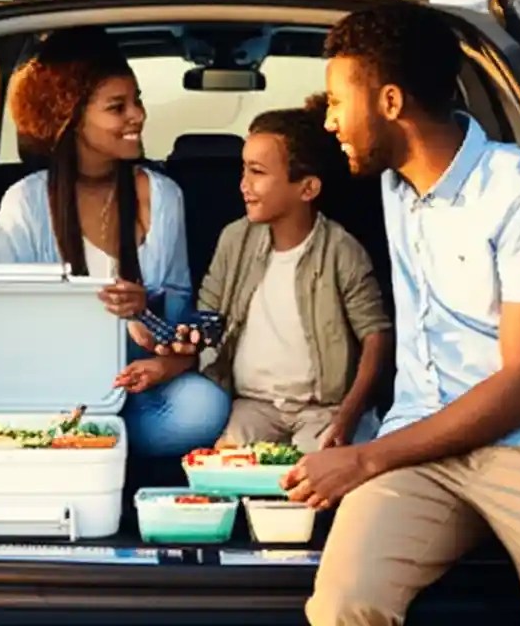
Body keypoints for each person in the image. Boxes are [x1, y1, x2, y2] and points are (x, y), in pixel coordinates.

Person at [278, 2, 520, 625]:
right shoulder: (395, 185)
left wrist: (366, 457)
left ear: (391, 102)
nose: (331, 122)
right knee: (344, 605)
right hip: (421, 445)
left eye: (338, 102)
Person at [0, 26, 230, 458]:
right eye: (117, 107)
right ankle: (86, 439)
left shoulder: (161, 195)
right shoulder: (23, 203)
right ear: (70, 117)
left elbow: (181, 320)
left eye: (137, 101)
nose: (137, 115)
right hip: (51, 386)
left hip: (138, 385)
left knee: (203, 407)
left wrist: (148, 317)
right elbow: (7, 328)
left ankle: (90, 445)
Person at [129, 104, 393, 455]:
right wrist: (169, 355)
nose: (243, 185)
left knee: (312, 477)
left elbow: (377, 336)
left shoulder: (341, 251)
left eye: (257, 172)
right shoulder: (234, 240)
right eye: (243, 170)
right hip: (253, 406)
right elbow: (206, 320)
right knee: (226, 466)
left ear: (307, 188)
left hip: (323, 410)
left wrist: (348, 415)